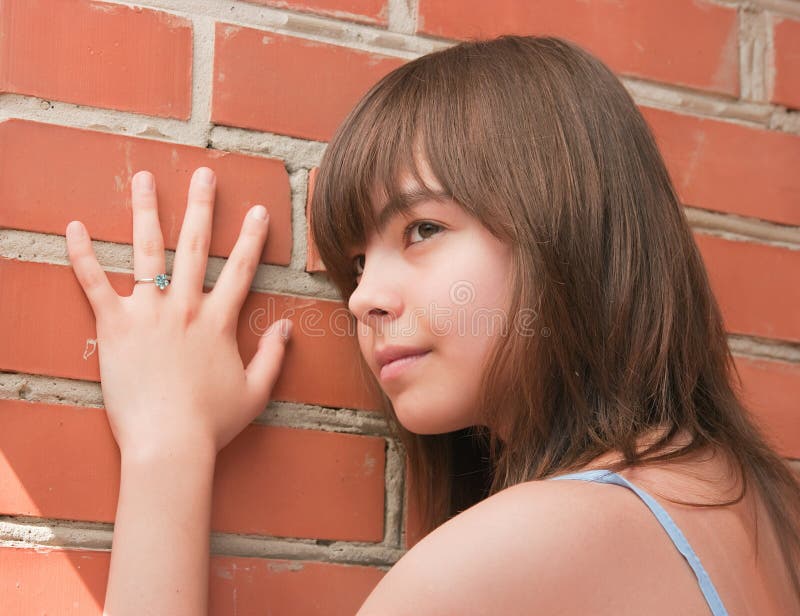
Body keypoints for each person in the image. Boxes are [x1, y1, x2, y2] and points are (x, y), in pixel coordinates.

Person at [65, 34, 799, 615]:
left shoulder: (513, 549)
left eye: (421, 229)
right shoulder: (763, 511)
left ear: (569, 229)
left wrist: (168, 445)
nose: (361, 299)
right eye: (356, 262)